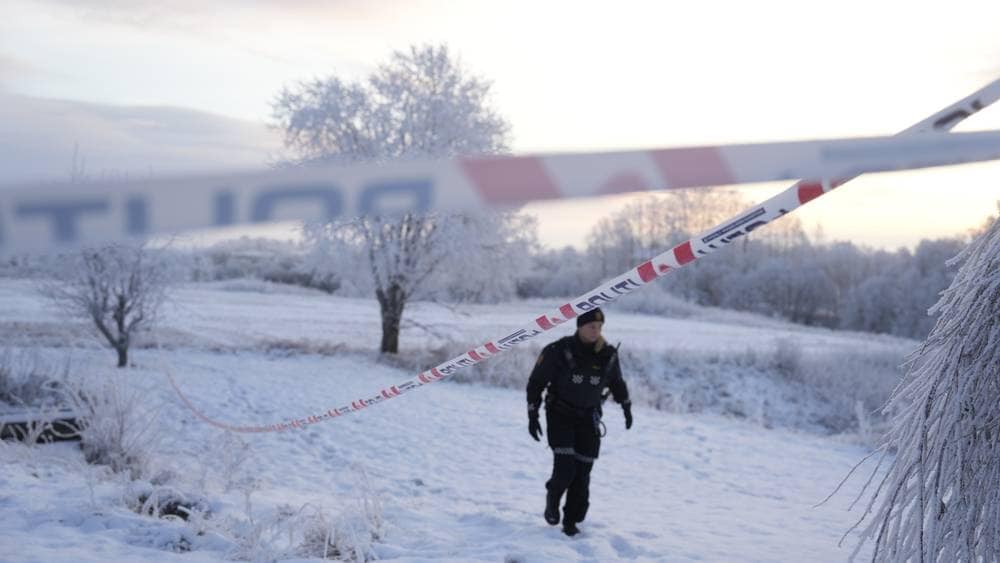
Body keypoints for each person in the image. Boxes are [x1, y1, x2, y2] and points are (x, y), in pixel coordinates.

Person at [526, 307, 632, 536]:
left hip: (589, 417)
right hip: (560, 415)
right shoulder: (558, 350)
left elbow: (617, 382)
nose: (596, 331)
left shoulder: (608, 354)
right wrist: (532, 413)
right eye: (591, 326)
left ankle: (571, 521)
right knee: (565, 469)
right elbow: (536, 383)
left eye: (600, 327)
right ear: (580, 326)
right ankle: (553, 498)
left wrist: (626, 406)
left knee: (582, 473)